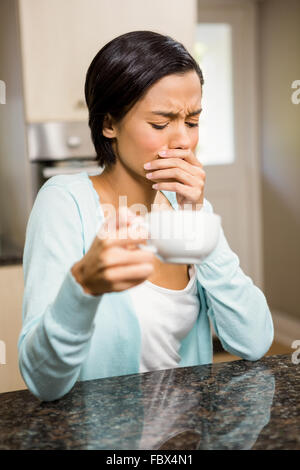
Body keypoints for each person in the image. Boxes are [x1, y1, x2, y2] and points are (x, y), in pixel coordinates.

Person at [18, 31, 274, 402]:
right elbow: (43, 381)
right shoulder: (64, 204)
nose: (184, 141)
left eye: (192, 121)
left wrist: (198, 216)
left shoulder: (185, 204)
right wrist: (82, 288)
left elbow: (254, 340)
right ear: (109, 124)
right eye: (160, 124)